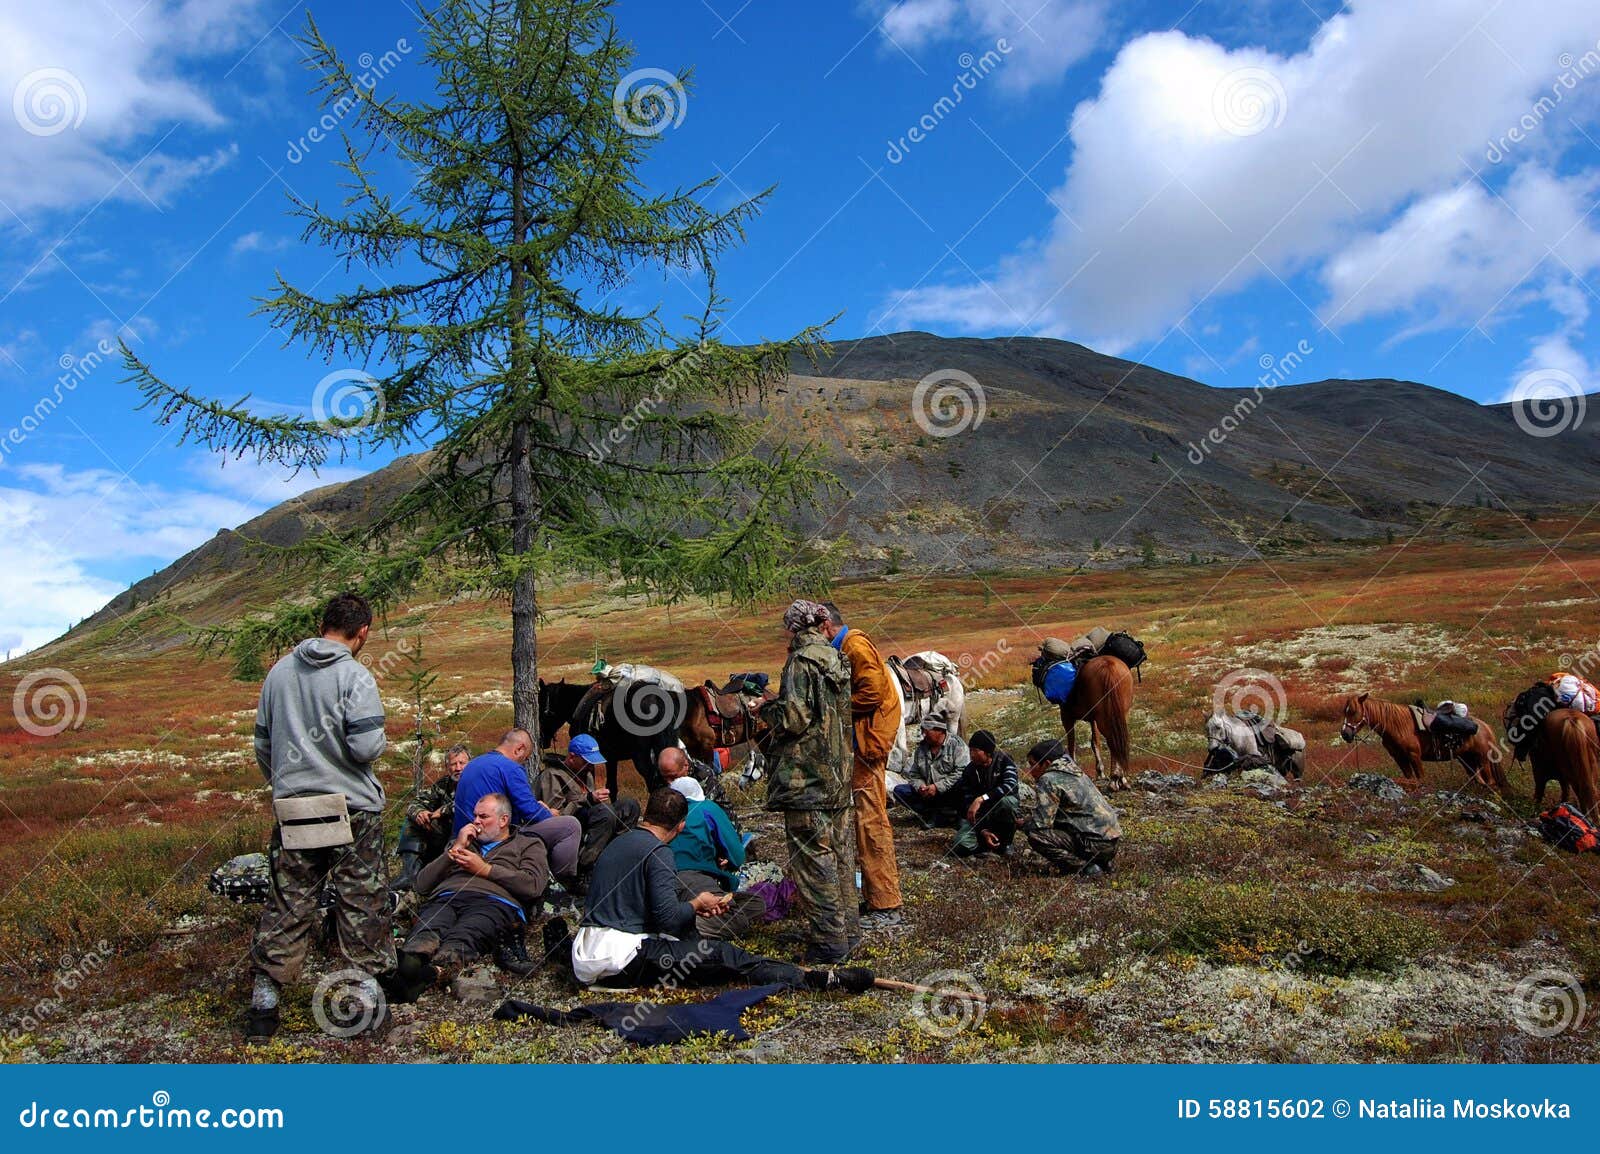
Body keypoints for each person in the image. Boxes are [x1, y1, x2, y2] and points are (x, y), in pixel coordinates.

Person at [247, 592, 394, 1044]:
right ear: (362, 632)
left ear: (323, 623)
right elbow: (365, 748)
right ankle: (360, 1005)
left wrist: (289, 782)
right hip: (352, 810)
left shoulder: (278, 673)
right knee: (360, 906)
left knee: (288, 902)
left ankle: (263, 1006)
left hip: (295, 809)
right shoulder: (356, 676)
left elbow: (263, 747)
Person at [561, 789, 872, 993]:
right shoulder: (659, 852)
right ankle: (807, 980)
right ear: (681, 825)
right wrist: (697, 904)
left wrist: (693, 909)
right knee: (722, 955)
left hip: (587, 951)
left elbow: (635, 908)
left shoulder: (619, 843)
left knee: (691, 942)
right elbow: (668, 919)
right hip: (620, 961)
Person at [761, 599, 860, 963]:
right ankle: (849, 934)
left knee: (813, 865)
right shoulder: (836, 658)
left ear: (794, 628)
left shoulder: (801, 662)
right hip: (838, 778)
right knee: (842, 858)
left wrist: (766, 708)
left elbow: (795, 719)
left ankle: (828, 944)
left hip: (807, 781)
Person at [390, 793, 550, 999]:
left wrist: (485, 869)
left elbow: (533, 885)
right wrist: (453, 850)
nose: (476, 822)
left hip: (494, 901)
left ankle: (433, 973)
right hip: (447, 896)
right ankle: (411, 964)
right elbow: (421, 884)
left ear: (504, 820)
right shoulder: (464, 842)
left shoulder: (528, 844)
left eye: (483, 817)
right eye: (475, 816)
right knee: (426, 931)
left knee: (465, 935)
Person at [820, 602, 905, 931]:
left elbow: (871, 692)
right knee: (865, 822)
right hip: (863, 745)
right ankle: (877, 898)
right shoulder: (848, 646)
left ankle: (886, 903)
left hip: (868, 748)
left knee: (871, 823)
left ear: (827, 625)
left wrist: (831, 705)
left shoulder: (854, 645)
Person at [454, 729, 583, 886]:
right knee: (570, 826)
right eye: (525, 758)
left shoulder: (474, 764)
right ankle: (561, 883)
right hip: (492, 835)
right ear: (519, 748)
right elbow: (531, 813)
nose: (523, 762)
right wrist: (549, 813)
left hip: (463, 834)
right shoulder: (510, 767)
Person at [667, 776, 764, 940]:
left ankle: (681, 915)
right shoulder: (706, 808)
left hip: (665, 877)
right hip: (691, 876)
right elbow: (738, 855)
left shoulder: (664, 811)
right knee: (736, 920)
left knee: (756, 904)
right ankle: (674, 926)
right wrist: (729, 860)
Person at [535, 733, 640, 879]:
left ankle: (617, 855)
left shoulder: (586, 772)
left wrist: (594, 800)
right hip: (570, 824)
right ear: (572, 757)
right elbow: (555, 816)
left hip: (592, 817)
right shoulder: (552, 775)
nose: (590, 765)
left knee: (630, 805)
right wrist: (588, 799)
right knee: (605, 812)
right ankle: (585, 869)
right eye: (586, 761)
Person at [1021, 739, 1122, 875]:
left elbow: (1041, 824)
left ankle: (1084, 868)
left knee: (1036, 836)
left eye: (1032, 765)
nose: (1030, 771)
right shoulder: (1075, 771)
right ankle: (1102, 862)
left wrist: (1022, 824)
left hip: (1094, 844)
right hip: (1112, 842)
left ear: (1046, 763)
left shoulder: (1049, 779)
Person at [397, 743, 471, 890]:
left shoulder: (475, 782)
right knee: (412, 822)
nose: (458, 768)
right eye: (453, 764)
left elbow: (471, 804)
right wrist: (419, 813)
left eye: (462, 763)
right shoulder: (443, 785)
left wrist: (443, 811)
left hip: (467, 836)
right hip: (443, 836)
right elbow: (416, 802)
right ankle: (409, 873)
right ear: (446, 767)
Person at [891, 711, 969, 827]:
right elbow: (914, 774)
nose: (924, 734)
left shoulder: (957, 745)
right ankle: (932, 813)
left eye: (927, 731)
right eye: (923, 730)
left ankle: (953, 813)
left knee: (962, 784)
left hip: (948, 791)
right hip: (928, 794)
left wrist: (937, 787)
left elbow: (961, 772)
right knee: (900, 791)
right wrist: (921, 786)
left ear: (940, 731)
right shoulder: (921, 749)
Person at [953, 730, 1020, 856]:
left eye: (975, 750)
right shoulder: (970, 771)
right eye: (970, 750)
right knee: (960, 845)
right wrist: (982, 830)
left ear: (987, 752)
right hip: (982, 815)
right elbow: (968, 803)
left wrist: (982, 798)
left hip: (1000, 811)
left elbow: (1010, 785)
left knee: (1007, 802)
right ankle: (985, 842)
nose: (971, 754)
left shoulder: (1004, 761)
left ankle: (1006, 843)